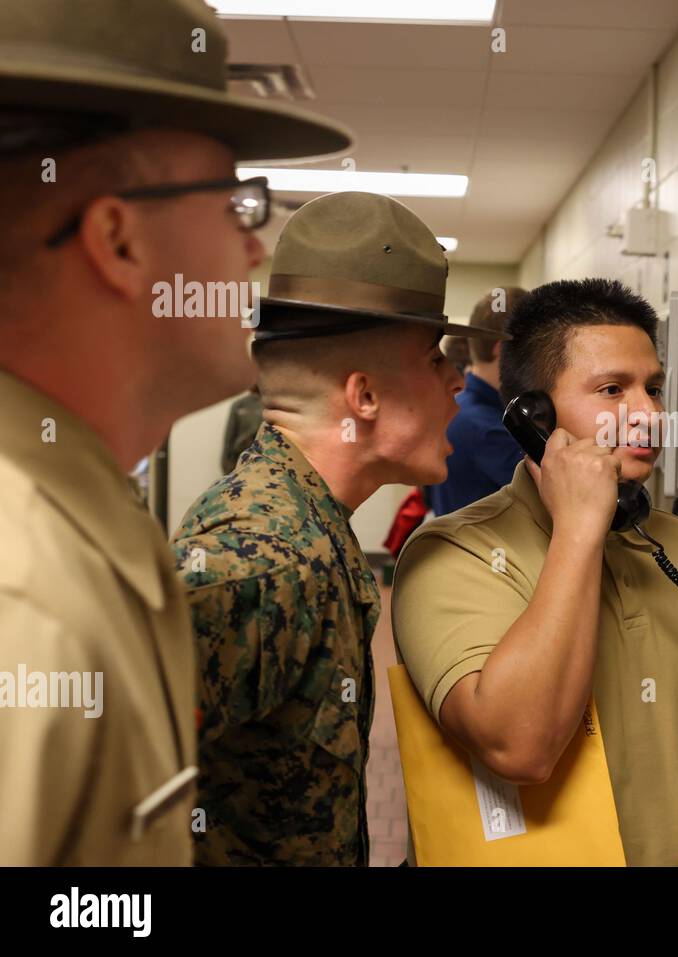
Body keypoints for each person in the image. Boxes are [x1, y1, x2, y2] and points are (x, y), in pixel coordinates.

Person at [0, 0, 349, 864]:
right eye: (236, 204)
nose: (257, 250)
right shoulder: (26, 597)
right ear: (118, 240)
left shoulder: (90, 527)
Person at [171, 190, 505, 865]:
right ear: (366, 396)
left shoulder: (315, 528)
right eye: (436, 359)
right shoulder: (262, 562)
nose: (457, 385)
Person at [393, 279, 678, 866]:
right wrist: (578, 532)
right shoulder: (453, 553)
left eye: (655, 388)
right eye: (613, 389)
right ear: (533, 416)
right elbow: (519, 749)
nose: (647, 415)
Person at [425, 286, 527, 517]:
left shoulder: (462, 407)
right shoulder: (486, 426)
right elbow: (557, 497)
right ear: (503, 350)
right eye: (534, 350)